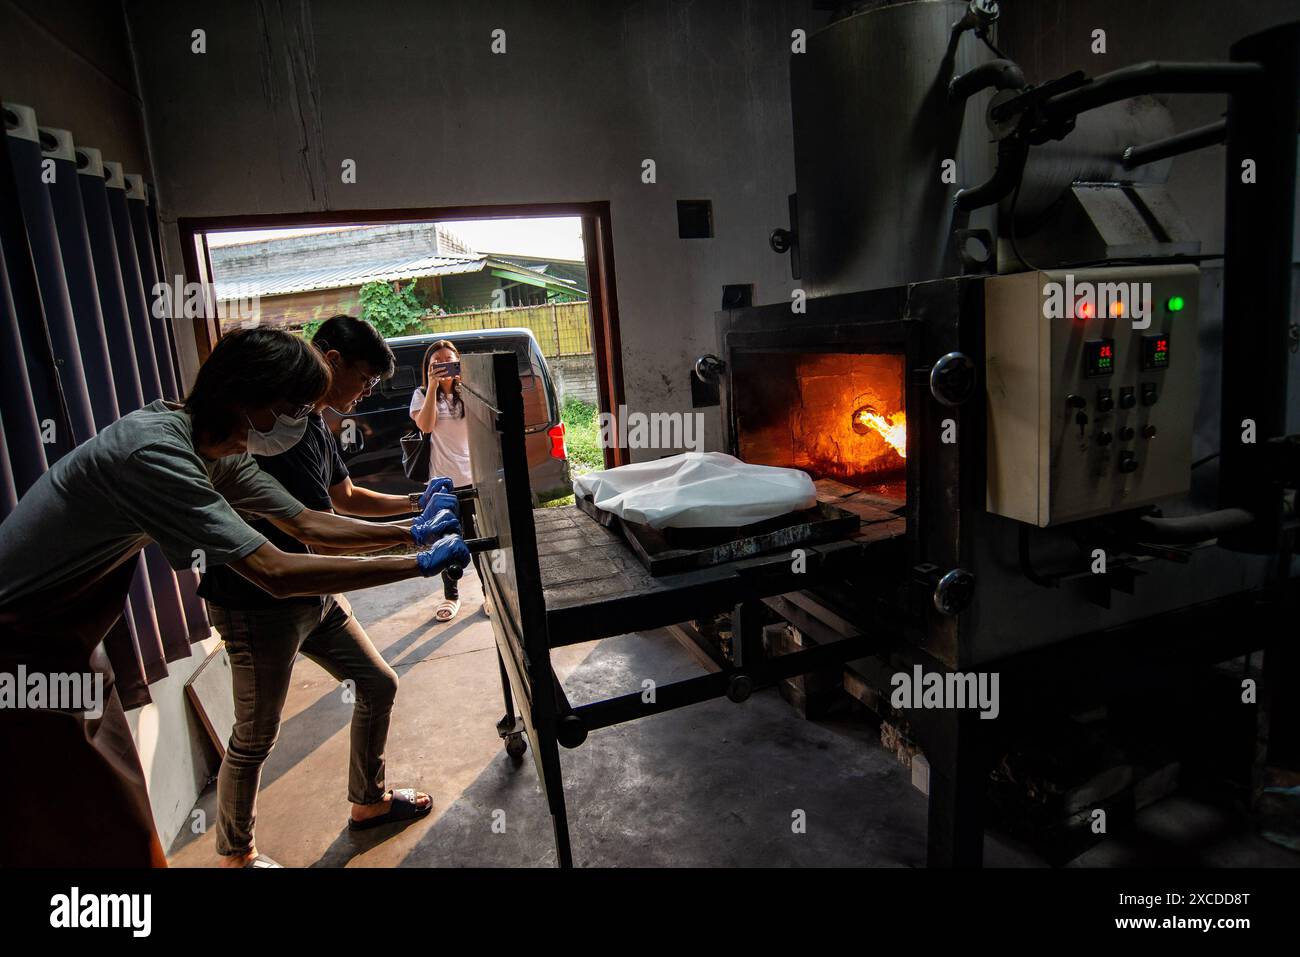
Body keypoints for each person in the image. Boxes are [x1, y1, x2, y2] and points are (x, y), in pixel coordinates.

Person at [0, 328, 468, 868]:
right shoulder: (156, 453)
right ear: (249, 399)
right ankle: (233, 857)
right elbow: (273, 570)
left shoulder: (214, 448)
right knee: (84, 824)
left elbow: (307, 519)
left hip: (71, 636)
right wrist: (415, 564)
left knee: (117, 814)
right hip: (18, 644)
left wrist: (412, 531)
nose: (304, 419)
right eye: (295, 406)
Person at [199, 315, 459, 868]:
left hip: (314, 591)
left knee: (377, 684)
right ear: (331, 360)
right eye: (364, 379)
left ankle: (368, 802)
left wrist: (417, 506)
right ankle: (235, 856)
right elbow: (312, 530)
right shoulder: (259, 433)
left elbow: (341, 499)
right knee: (254, 738)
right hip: (255, 603)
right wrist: (412, 550)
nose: (365, 395)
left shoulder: (306, 423)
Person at [409, 339, 473, 622]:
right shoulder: (422, 394)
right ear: (429, 369)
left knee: (481, 541)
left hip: (473, 479)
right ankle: (452, 596)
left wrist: (468, 381)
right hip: (442, 484)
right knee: (447, 542)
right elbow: (425, 426)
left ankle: (491, 594)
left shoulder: (469, 392)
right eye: (438, 363)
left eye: (450, 359)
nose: (445, 365)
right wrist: (433, 387)